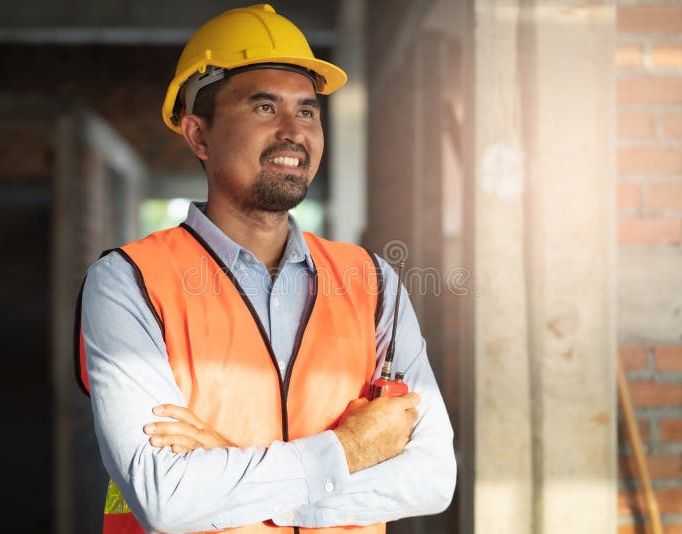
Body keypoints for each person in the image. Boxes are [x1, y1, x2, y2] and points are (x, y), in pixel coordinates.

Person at [75, 4, 456, 533]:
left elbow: (432, 479)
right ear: (199, 136)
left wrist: (231, 467)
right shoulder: (129, 283)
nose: (292, 132)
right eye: (263, 107)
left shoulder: (372, 283)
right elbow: (164, 497)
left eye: (307, 111)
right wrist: (352, 449)